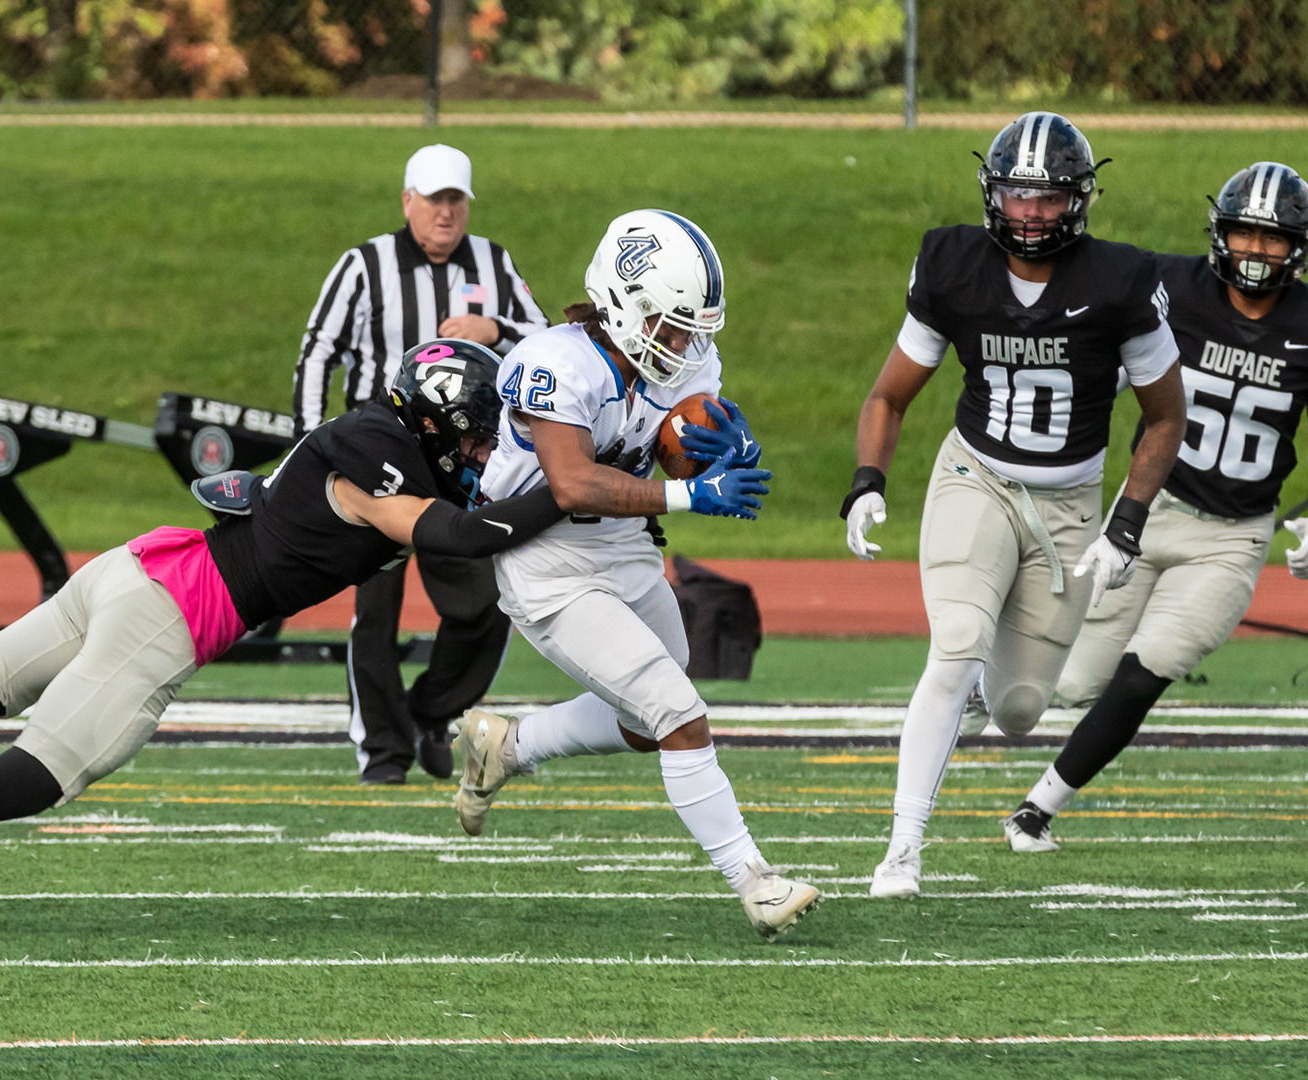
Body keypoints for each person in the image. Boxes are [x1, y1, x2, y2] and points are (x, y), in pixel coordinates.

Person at [0, 340, 572, 938]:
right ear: (436, 415)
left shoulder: (379, 434)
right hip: (174, 614)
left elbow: (458, 507)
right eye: (480, 423)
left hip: (138, 566)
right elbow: (454, 536)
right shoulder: (382, 454)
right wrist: (567, 490)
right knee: (35, 774)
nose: (487, 440)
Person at [841, 111, 1188, 899]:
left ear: (1081, 200)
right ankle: (902, 849)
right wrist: (868, 479)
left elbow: (1166, 417)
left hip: (1070, 504)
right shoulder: (952, 262)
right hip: (977, 478)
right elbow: (890, 396)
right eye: (1018, 195)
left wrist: (1124, 525)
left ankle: (973, 694)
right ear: (992, 193)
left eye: (1049, 198)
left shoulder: (1121, 281)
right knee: (957, 638)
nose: (1031, 214)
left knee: (1023, 708)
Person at [451, 209, 821, 939]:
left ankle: (507, 747)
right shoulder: (554, 361)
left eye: (692, 329)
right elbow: (570, 485)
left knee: (651, 719)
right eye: (670, 326)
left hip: (622, 544)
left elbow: (681, 441)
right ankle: (755, 882)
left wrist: (720, 450)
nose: (683, 345)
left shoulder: (688, 361)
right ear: (623, 303)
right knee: (676, 713)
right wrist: (693, 493)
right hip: (545, 561)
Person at [1004, 162, 1308, 851]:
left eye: (1273, 239)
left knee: (1150, 665)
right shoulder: (1170, 286)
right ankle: (980, 676)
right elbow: (1085, 306)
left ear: (1297, 247)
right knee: (1074, 679)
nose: (1257, 251)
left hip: (1232, 538)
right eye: (1244, 233)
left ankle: (1035, 810)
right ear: (1219, 233)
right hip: (1151, 507)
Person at [293, 143, 549, 785]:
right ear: (407, 200)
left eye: (455, 200)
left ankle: (428, 711)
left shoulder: (493, 261)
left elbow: (548, 341)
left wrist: (495, 328)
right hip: (373, 457)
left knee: (486, 602)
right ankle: (384, 751)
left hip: (462, 467)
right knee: (374, 610)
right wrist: (310, 442)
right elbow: (318, 352)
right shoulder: (364, 264)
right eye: (434, 199)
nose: (445, 213)